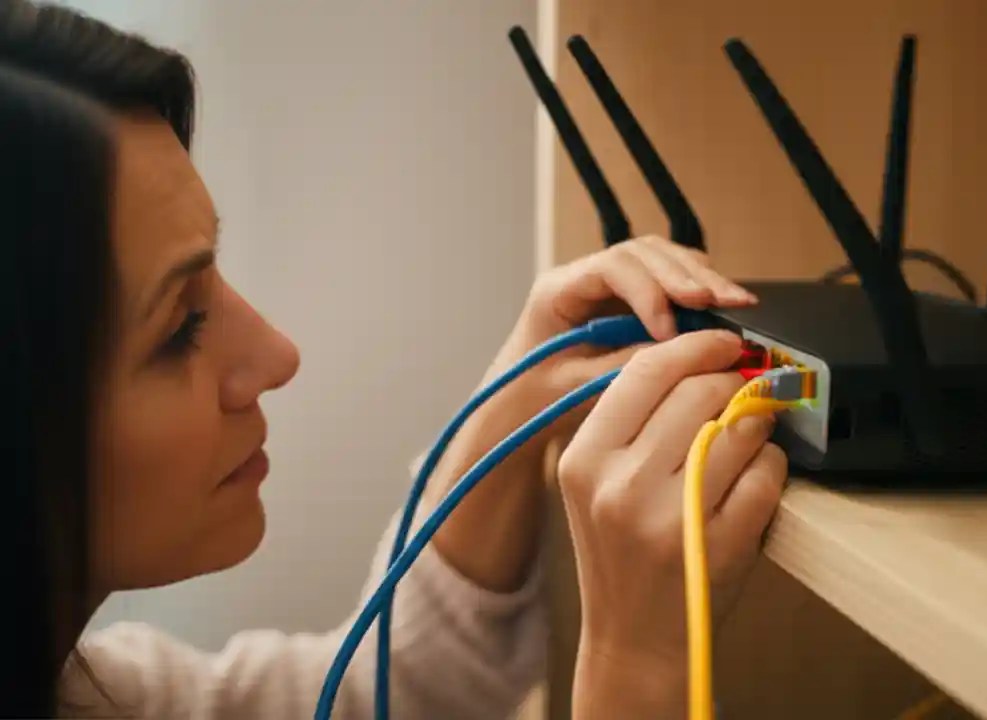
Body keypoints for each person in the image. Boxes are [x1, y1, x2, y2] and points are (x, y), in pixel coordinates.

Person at [0, 3, 787, 718]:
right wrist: (636, 667)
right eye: (181, 325)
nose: (277, 356)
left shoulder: (95, 693)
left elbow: (372, 701)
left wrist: (512, 404)